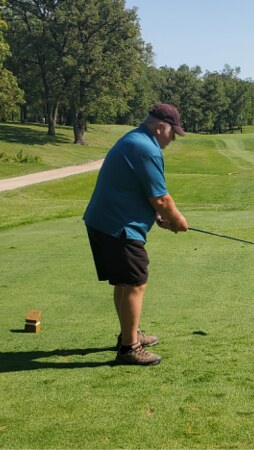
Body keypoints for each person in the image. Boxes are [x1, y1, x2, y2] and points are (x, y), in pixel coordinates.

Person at [83, 103, 189, 366]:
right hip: (118, 226)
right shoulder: (145, 148)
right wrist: (179, 221)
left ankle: (129, 334)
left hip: (104, 221)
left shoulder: (135, 139)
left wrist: (156, 215)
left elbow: (138, 189)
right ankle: (129, 348)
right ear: (160, 127)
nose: (173, 139)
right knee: (135, 283)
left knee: (124, 282)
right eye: (173, 133)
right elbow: (162, 199)